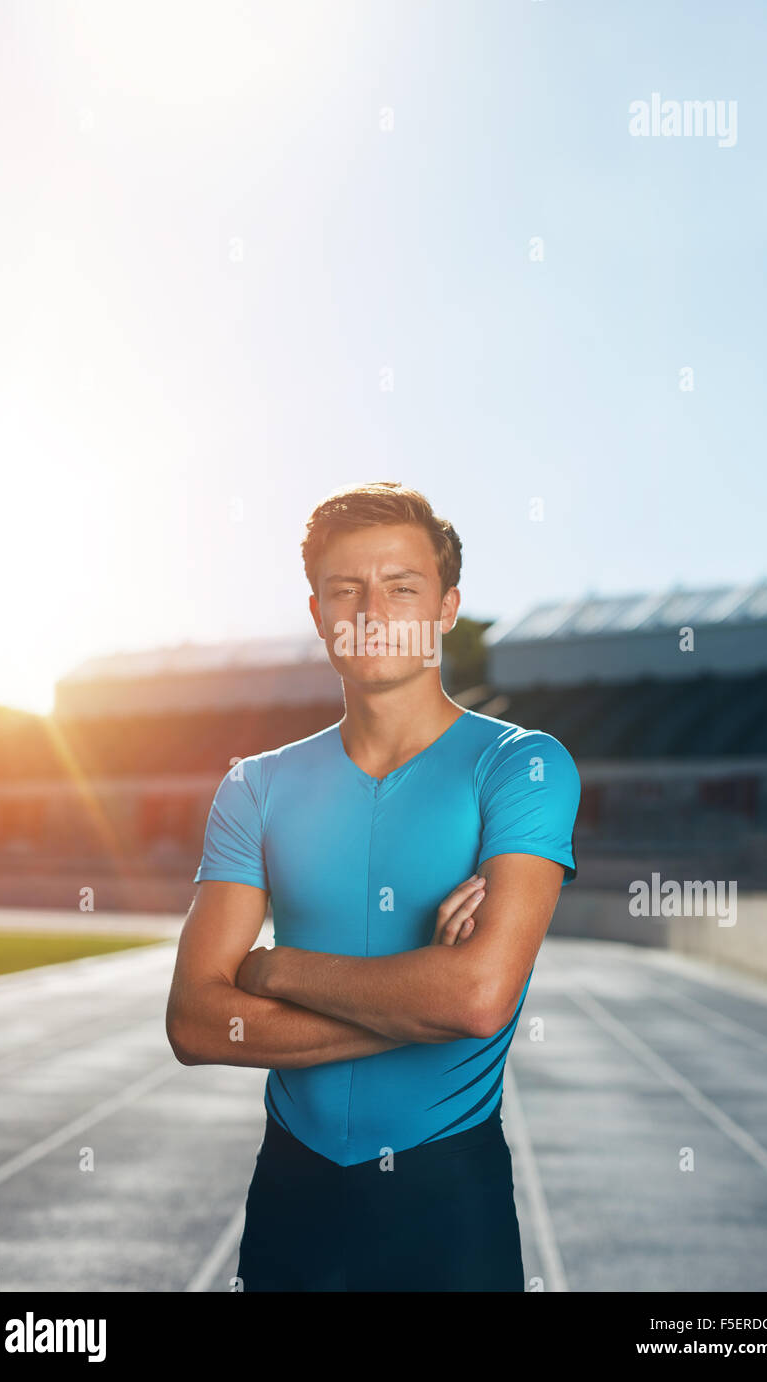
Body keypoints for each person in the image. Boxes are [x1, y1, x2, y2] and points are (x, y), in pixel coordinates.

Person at [165, 481, 580, 1291]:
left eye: (402, 588)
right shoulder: (256, 787)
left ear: (447, 607)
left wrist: (276, 970)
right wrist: (423, 1003)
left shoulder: (521, 766)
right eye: (346, 589)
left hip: (448, 1199)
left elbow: (477, 1000)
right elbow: (196, 1023)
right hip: (292, 1193)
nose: (371, 612)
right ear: (318, 612)